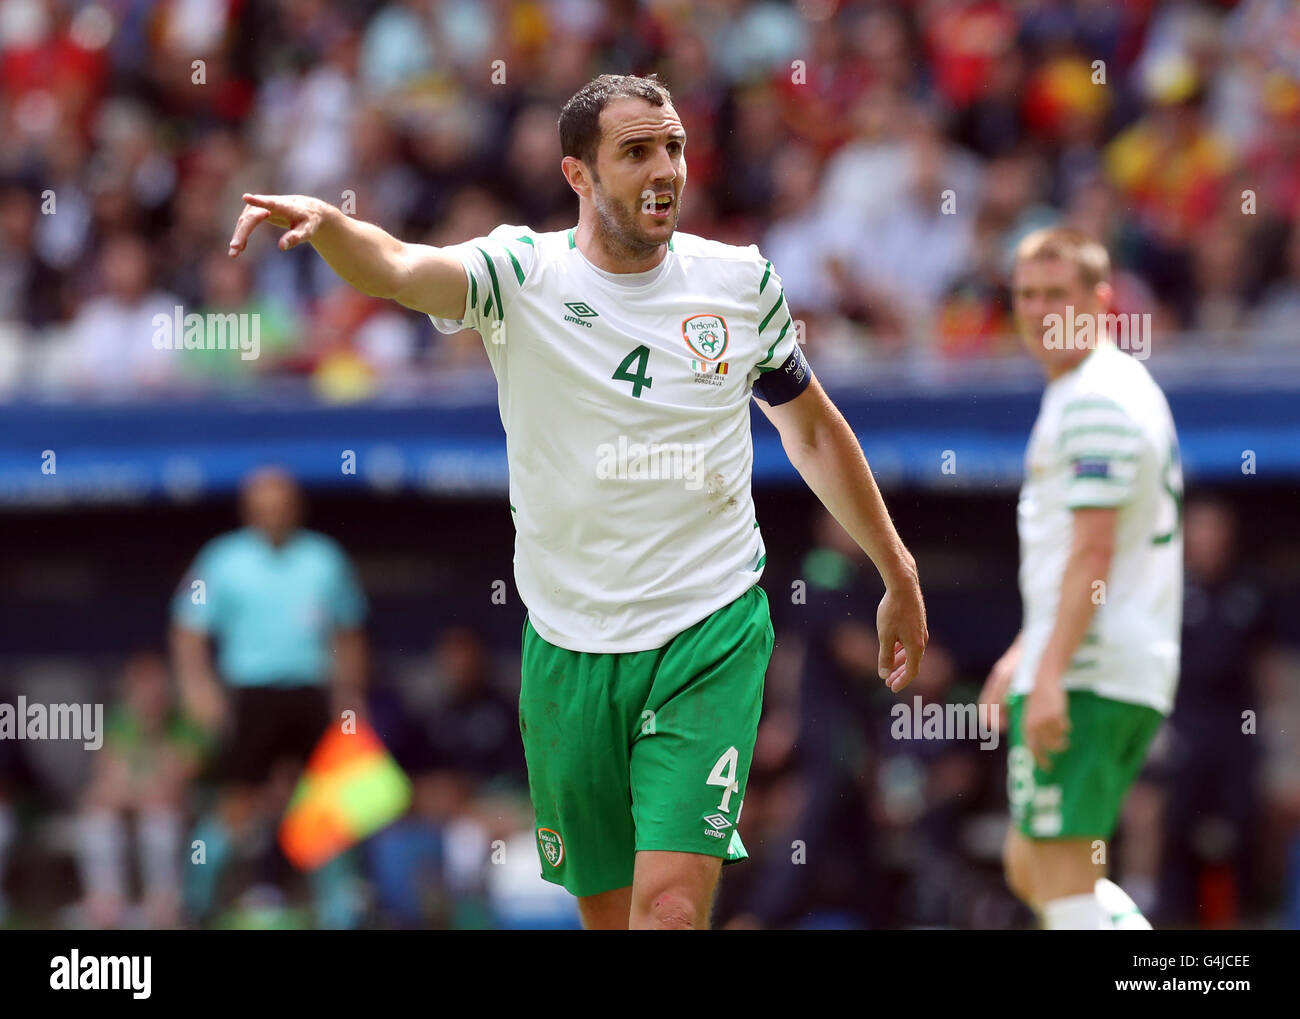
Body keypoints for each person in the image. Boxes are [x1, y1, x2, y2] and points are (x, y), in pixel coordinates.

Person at [226, 73, 928, 931]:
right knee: (609, 915)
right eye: (636, 152)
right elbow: (406, 269)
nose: (664, 168)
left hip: (707, 628)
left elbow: (813, 431)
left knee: (668, 907)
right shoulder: (520, 273)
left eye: (673, 146)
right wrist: (335, 229)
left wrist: (896, 566)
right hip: (569, 646)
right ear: (578, 176)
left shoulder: (740, 283)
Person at [980, 226, 1183, 929]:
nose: (1038, 310)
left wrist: (1055, 668)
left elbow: (1093, 554)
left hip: (1091, 670)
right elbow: (1082, 550)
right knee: (1031, 863)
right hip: (1109, 663)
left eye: (1057, 294)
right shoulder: (1096, 386)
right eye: (1026, 294)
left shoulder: (1097, 397)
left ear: (1100, 300)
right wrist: (1026, 652)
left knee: (1061, 874)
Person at [171, 467, 368, 927]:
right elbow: (187, 630)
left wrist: (349, 695)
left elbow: (350, 631)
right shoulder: (223, 559)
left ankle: (342, 913)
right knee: (235, 808)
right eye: (263, 507)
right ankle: (193, 905)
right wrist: (199, 690)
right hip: (251, 697)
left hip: (310, 694)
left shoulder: (324, 558)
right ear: (249, 510)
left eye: (280, 506)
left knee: (328, 806)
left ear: (295, 507)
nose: (273, 515)